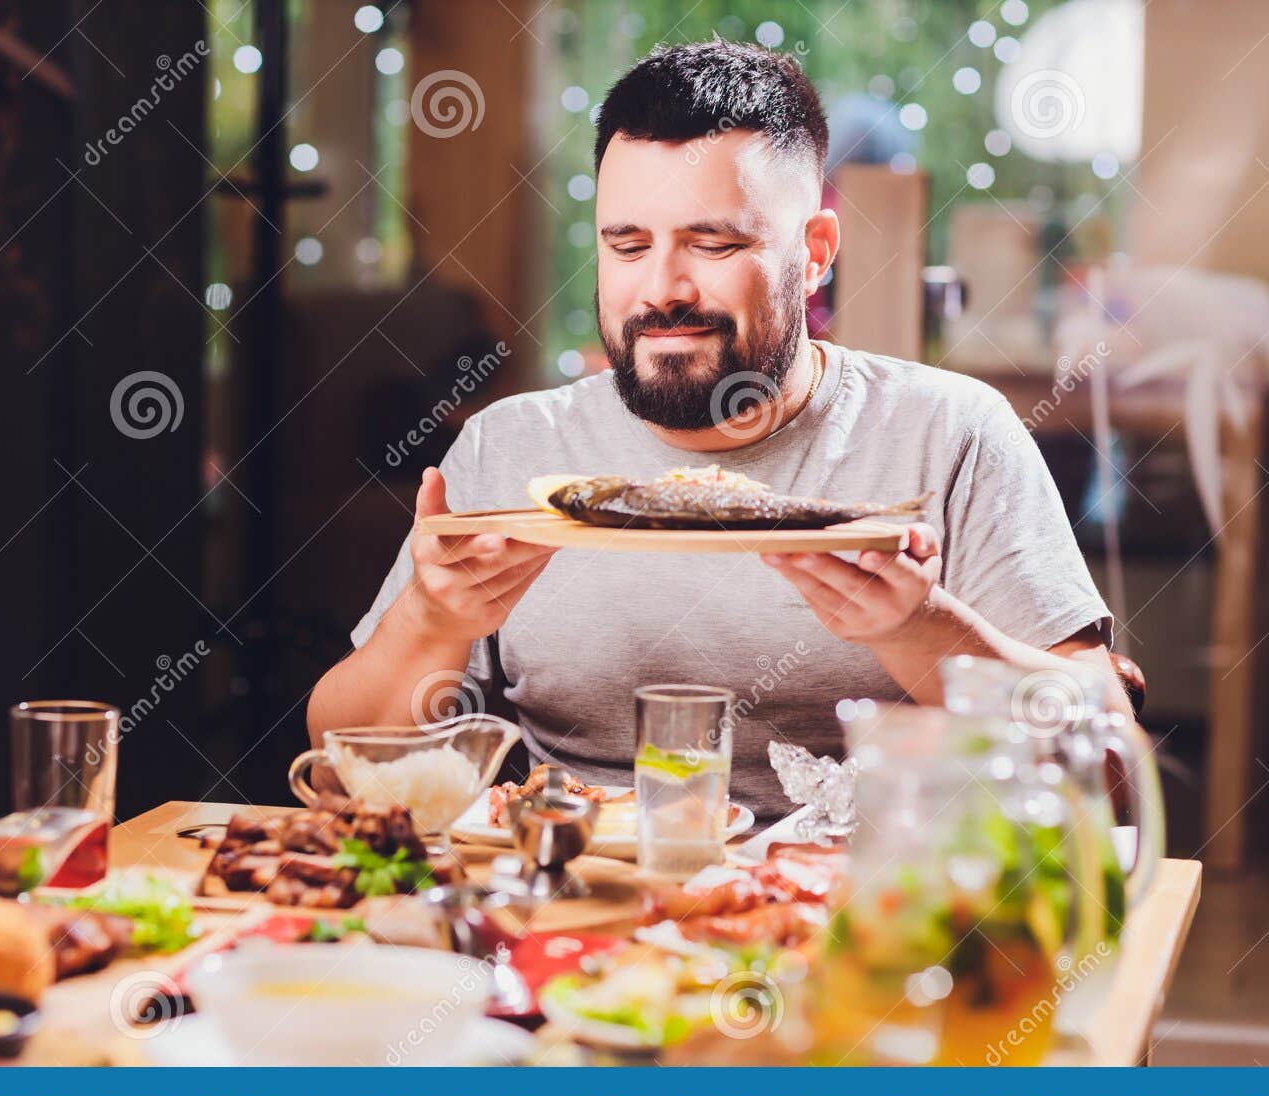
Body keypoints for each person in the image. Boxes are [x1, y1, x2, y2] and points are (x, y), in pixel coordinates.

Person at [308, 40, 1124, 821]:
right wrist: (430, 619)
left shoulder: (949, 435)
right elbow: (343, 769)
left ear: (815, 252)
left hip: (862, 899)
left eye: (713, 243)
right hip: (576, 893)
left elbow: (1112, 771)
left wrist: (922, 630)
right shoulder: (509, 448)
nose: (663, 289)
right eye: (628, 245)